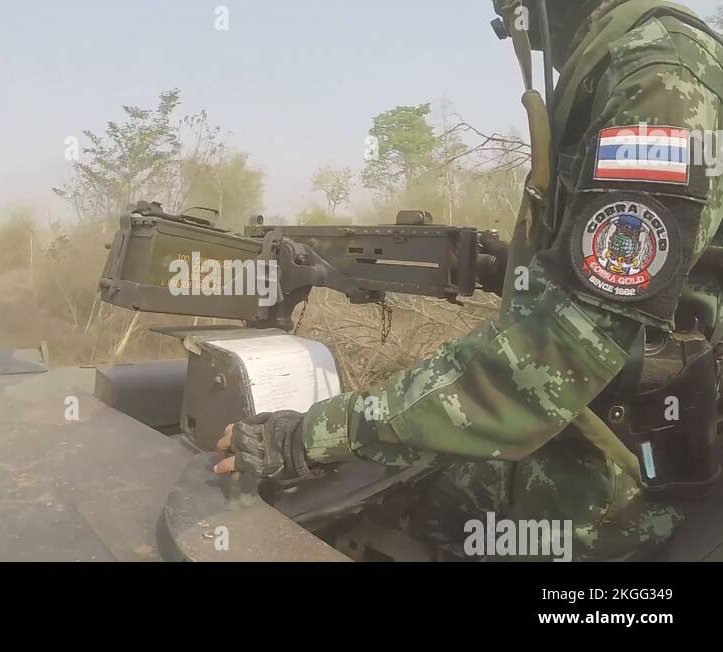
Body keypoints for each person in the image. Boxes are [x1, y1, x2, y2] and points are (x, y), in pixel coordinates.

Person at [215, 0, 723, 561]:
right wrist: (508, 265)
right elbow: (617, 275)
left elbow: (563, 351)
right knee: (415, 510)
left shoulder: (661, 76)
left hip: (617, 497)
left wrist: (315, 435)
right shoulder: (613, 60)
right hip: (563, 451)